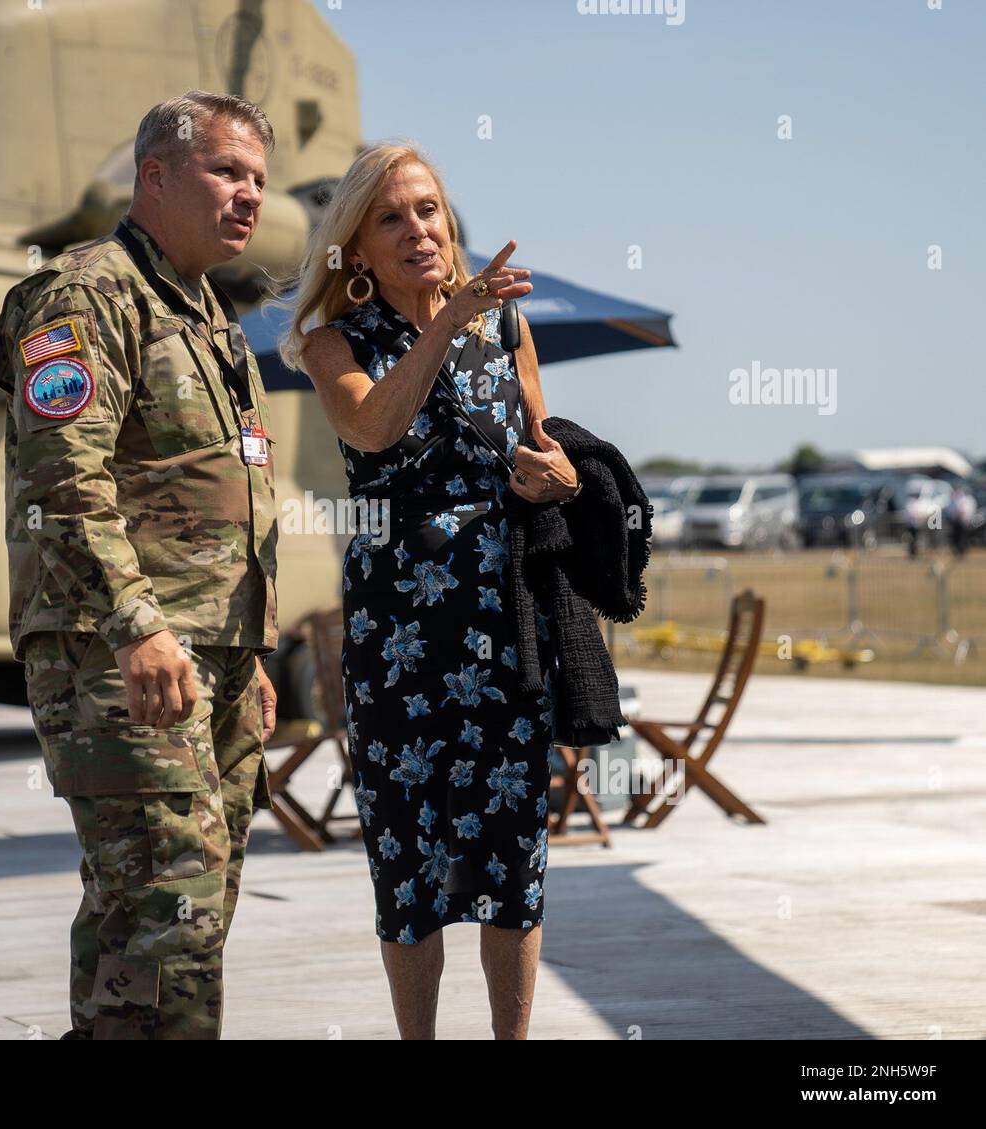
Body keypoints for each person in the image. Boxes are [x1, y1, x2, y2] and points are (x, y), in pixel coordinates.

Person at [0, 91, 279, 1040]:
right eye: (228, 172)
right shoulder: (87, 294)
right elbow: (61, 484)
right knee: (170, 903)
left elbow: (220, 494)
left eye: (259, 182)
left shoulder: (210, 316)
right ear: (153, 176)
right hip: (121, 651)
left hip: (214, 658)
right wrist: (139, 624)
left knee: (174, 917)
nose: (250, 197)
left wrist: (252, 650)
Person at [279, 143, 581, 1040]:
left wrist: (556, 475)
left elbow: (544, 447)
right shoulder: (335, 343)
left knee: (512, 861)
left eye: (427, 210)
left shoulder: (510, 334)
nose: (416, 229)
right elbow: (374, 428)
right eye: (389, 218)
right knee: (408, 866)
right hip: (398, 639)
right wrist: (445, 325)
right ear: (356, 251)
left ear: (448, 223)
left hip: (503, 626)